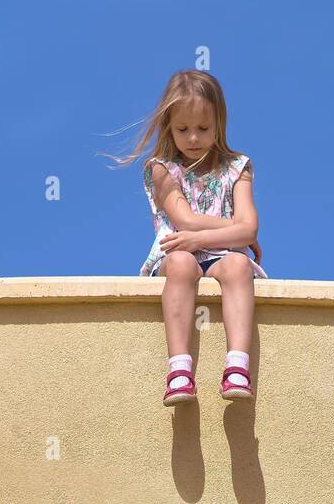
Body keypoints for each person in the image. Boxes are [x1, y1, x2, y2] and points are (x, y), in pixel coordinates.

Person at [107, 70, 267, 407]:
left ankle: (237, 365)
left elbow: (249, 230)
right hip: (179, 252)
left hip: (223, 256)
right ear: (169, 126)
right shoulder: (161, 169)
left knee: (238, 265)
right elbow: (185, 220)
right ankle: (179, 370)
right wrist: (230, 228)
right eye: (183, 129)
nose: (193, 138)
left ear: (218, 124)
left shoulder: (238, 168)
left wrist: (212, 236)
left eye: (203, 129)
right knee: (180, 265)